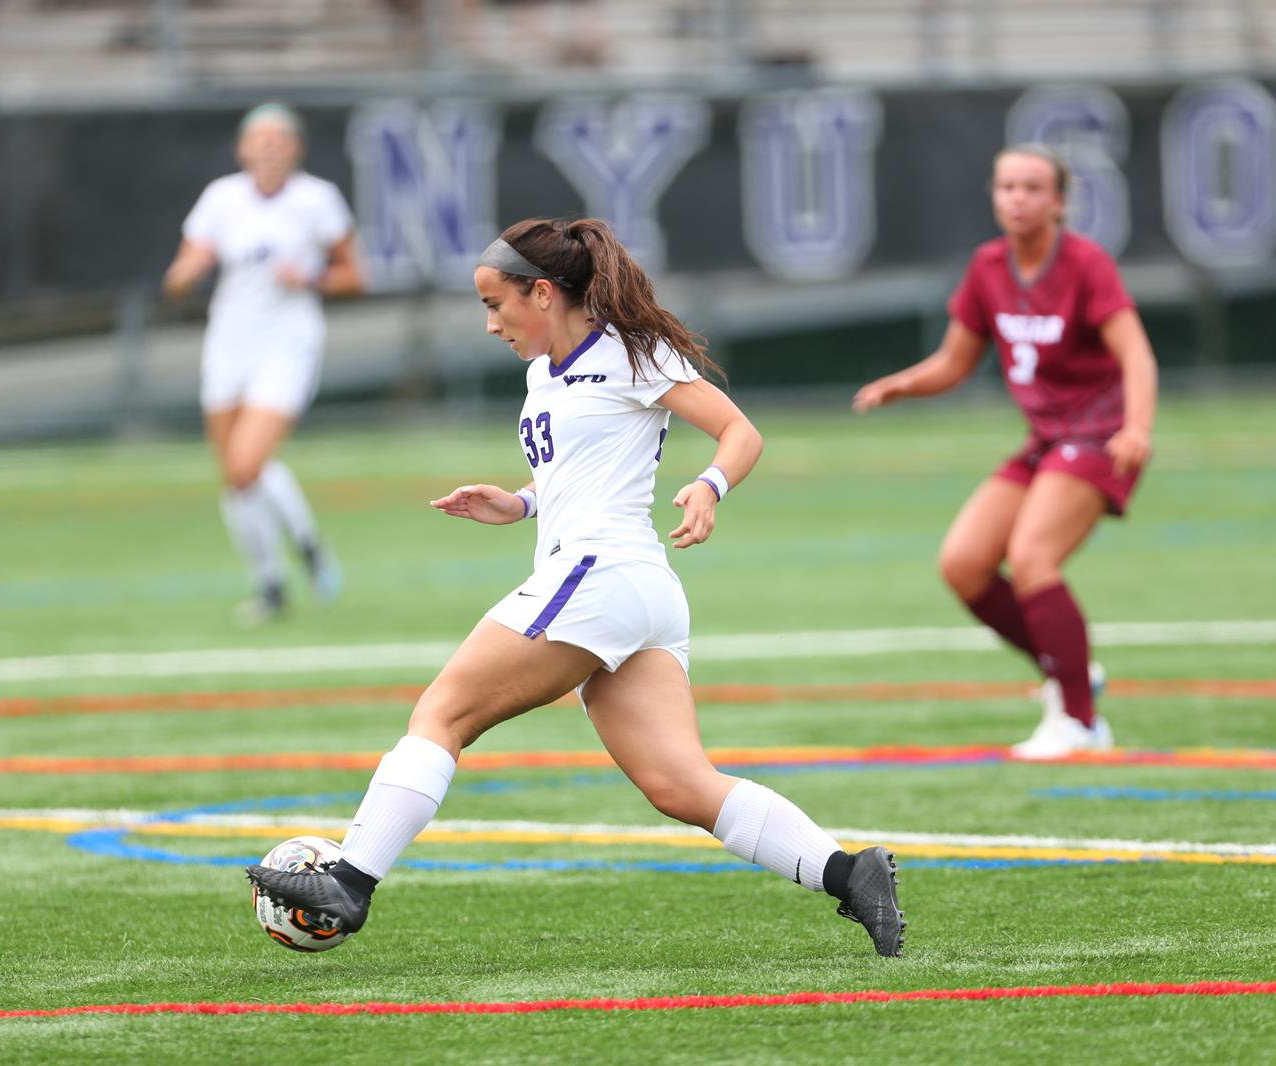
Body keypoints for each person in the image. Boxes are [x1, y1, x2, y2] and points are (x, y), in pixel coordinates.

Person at [249, 217, 905, 957]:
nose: (491, 324)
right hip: (632, 591)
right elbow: (579, 473)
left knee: (442, 714)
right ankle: (853, 875)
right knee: (680, 784)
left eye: (498, 305)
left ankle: (350, 882)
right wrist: (520, 502)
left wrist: (710, 485)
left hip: (600, 576)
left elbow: (740, 432)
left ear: (542, 292)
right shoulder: (542, 373)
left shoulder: (631, 353)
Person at [853, 144, 1158, 759]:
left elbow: (1136, 354)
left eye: (1033, 187)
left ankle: (1080, 720)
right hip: (1046, 441)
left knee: (1032, 557)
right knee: (963, 564)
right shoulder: (989, 265)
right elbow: (955, 362)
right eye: (1007, 187)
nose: (1018, 198)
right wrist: (901, 384)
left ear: (1059, 202)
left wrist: (1139, 428)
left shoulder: (1086, 264)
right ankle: (1069, 668)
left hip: (1100, 436)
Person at [163, 103, 364, 625]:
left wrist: (313, 279)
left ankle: (307, 543)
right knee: (235, 479)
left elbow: (353, 275)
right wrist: (192, 268)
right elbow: (179, 276)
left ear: (295, 149)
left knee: (247, 463)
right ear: (243, 149)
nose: (269, 150)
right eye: (260, 141)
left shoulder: (316, 199)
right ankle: (270, 583)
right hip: (230, 340)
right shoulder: (222, 198)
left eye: (279, 141)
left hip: (287, 342)